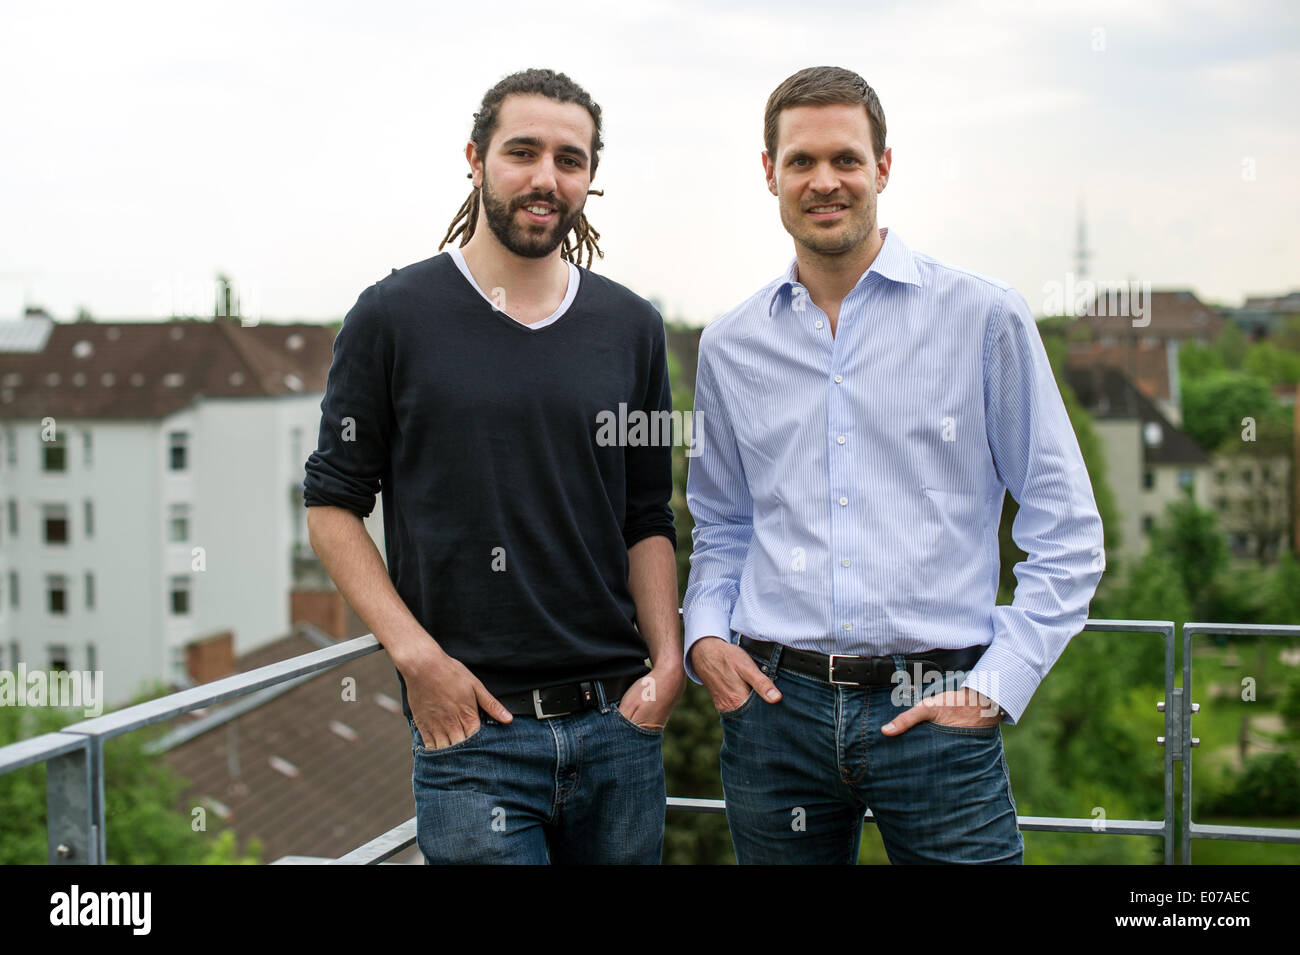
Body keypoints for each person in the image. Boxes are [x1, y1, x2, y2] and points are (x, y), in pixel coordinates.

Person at [682, 65, 1105, 864]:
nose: (824, 180)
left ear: (883, 167)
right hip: (773, 714)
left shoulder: (983, 317)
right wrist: (704, 635)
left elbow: (1067, 528)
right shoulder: (730, 345)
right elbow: (724, 523)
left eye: (845, 158)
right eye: (801, 161)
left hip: (937, 704)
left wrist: (1000, 680)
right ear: (769, 172)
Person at [303, 68, 683, 865]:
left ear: (590, 178)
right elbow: (332, 504)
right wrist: (416, 658)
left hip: (618, 728)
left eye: (570, 160)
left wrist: (668, 667)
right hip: (473, 732)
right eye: (523, 152)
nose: (547, 178)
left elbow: (647, 517)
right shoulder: (391, 316)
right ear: (474, 158)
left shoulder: (632, 328)